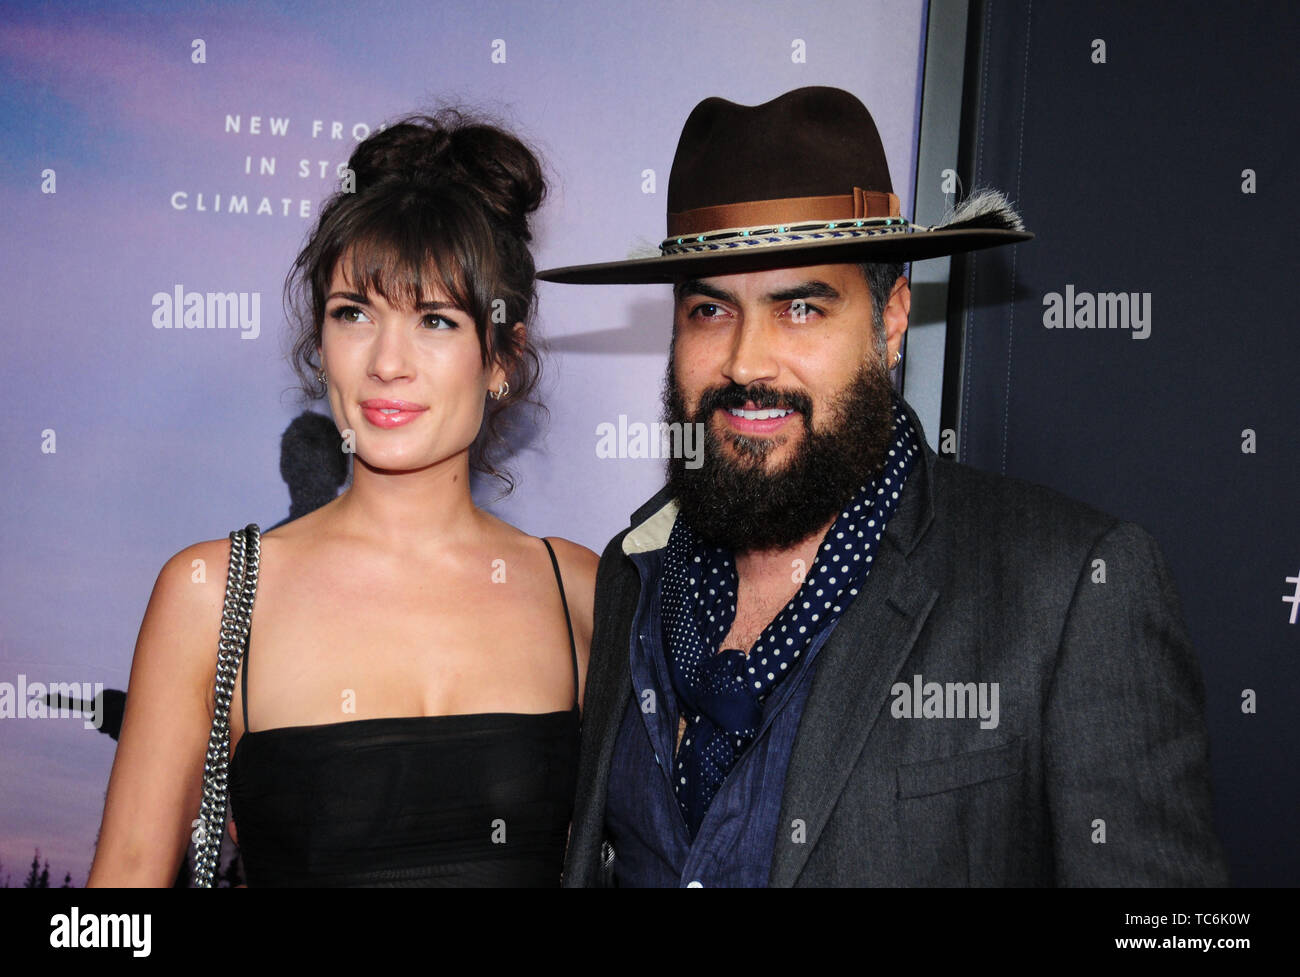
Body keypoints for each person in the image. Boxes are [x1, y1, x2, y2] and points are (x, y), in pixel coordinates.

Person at [538, 86, 1228, 886]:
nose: (745, 362)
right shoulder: (631, 573)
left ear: (891, 317)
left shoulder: (1072, 588)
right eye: (710, 309)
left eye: (800, 308)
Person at [88, 109, 598, 887]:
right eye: (354, 313)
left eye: (435, 320)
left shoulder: (581, 592)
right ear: (320, 339)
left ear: (502, 356)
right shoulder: (214, 594)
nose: (387, 362)